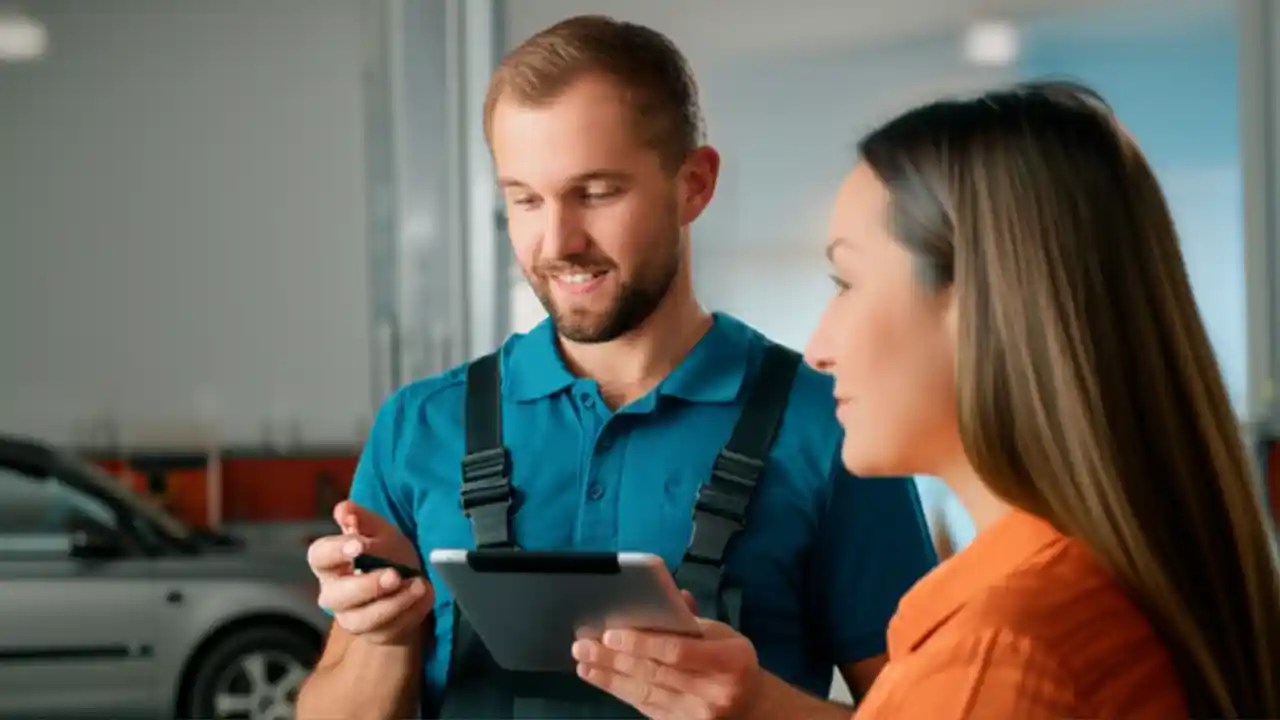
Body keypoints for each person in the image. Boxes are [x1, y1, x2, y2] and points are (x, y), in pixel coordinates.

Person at [296, 15, 936, 720]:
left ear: (694, 184)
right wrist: (381, 635)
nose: (558, 241)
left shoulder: (830, 424)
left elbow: (936, 712)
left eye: (596, 192)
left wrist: (760, 709)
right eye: (525, 199)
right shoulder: (419, 427)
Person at [798, 81, 1280, 718]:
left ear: (978, 304)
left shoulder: (997, 658)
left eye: (846, 282)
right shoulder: (1104, 595)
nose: (817, 348)